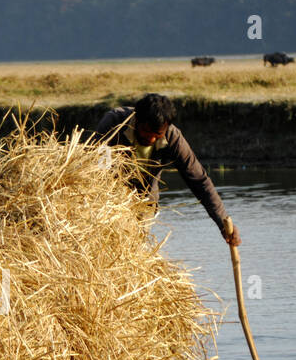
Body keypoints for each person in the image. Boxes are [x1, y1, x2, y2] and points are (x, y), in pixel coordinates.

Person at [96, 93, 241, 246]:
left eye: (157, 135)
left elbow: (199, 181)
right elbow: (94, 167)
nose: (151, 139)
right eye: (146, 131)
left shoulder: (172, 137)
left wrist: (223, 222)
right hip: (110, 199)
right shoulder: (114, 124)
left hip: (144, 202)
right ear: (137, 120)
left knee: (133, 247)